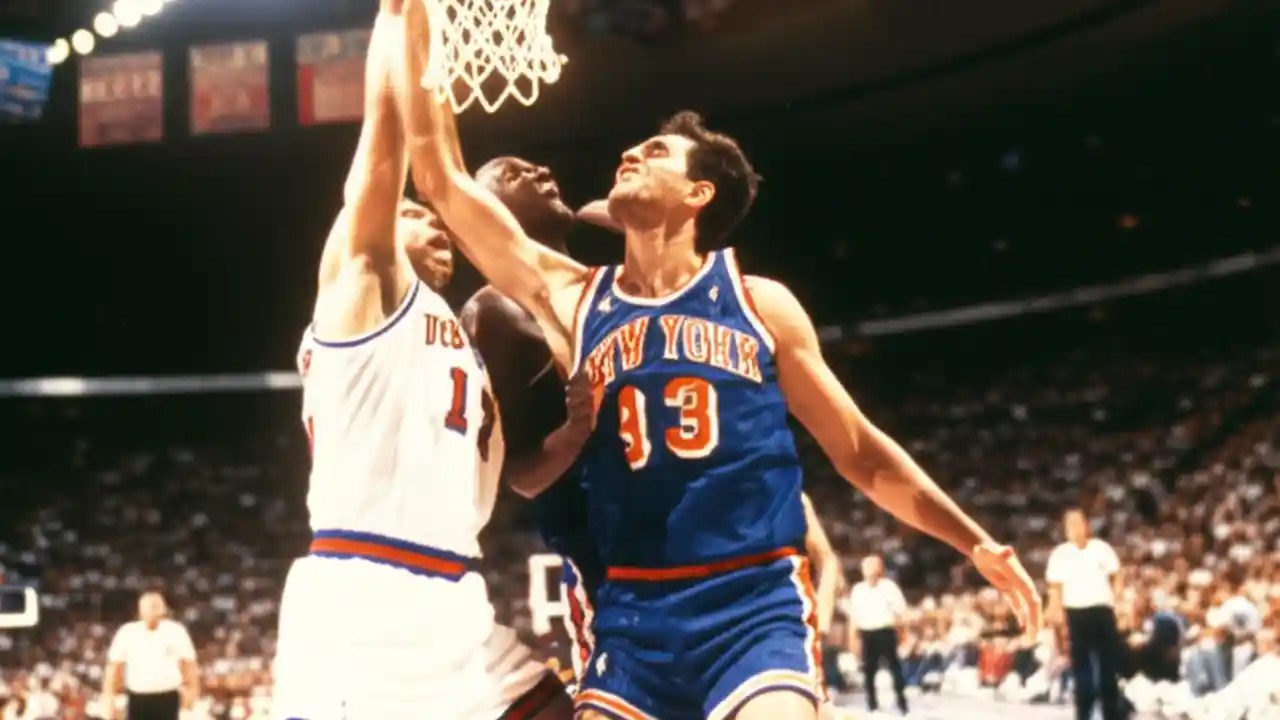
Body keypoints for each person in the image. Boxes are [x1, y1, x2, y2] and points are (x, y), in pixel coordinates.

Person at [398, 8, 1041, 718]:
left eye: (655, 152)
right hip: (634, 616)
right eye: (631, 151)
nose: (630, 156)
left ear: (698, 194)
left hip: (751, 604)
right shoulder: (578, 300)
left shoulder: (760, 302)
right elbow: (441, 177)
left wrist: (977, 543)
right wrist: (414, 25)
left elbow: (861, 453)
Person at [269, 3, 570, 718]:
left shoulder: (464, 332)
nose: (430, 220)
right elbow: (381, 149)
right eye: (413, 214)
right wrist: (402, 19)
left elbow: (515, 475)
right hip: (364, 593)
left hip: (456, 595)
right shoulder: (359, 290)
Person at [457, 155, 604, 685]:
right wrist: (573, 435)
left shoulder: (607, 288)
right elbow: (518, 475)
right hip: (610, 569)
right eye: (516, 174)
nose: (543, 169)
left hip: (681, 542)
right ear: (489, 212)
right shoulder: (495, 312)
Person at [1046, 508, 1124, 720]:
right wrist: (1055, 613)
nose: (1074, 528)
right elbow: (1055, 588)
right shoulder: (1060, 554)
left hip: (1102, 610)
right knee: (1082, 668)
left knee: (1107, 666)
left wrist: (1117, 598)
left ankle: (1112, 714)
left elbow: (1117, 575)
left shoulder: (1101, 549)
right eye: (1070, 524)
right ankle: (1083, 714)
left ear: (1086, 525)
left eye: (1078, 523)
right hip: (1076, 613)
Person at [100, 591, 198, 720]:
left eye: (156, 606)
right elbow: (114, 667)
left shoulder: (176, 631)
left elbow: (189, 664)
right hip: (138, 697)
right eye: (149, 607)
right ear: (140, 610)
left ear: (164, 609)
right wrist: (109, 697)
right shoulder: (127, 632)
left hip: (168, 696)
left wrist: (192, 692)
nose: (153, 610)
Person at [847, 556, 909, 715]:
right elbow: (854, 617)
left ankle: (902, 704)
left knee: (896, 670)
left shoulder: (889, 587)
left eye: (872, 566)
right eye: (866, 567)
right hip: (868, 633)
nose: (869, 570)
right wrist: (853, 639)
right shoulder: (858, 590)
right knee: (869, 671)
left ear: (880, 568)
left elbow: (900, 613)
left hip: (886, 631)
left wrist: (903, 635)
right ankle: (872, 705)